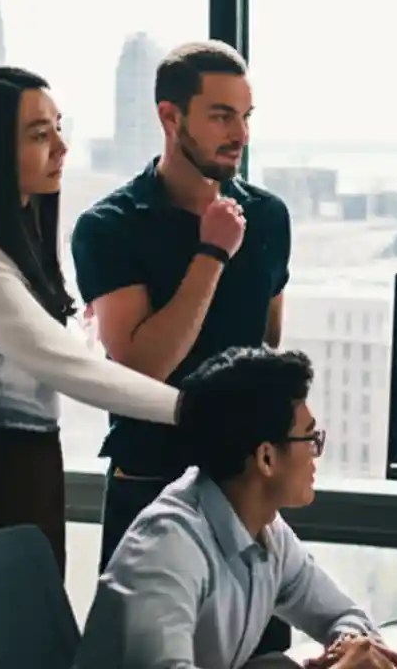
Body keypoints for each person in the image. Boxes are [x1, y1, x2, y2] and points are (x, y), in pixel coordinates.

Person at [70, 39, 294, 652]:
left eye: (245, 116)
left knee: (260, 656)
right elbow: (141, 367)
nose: (239, 133)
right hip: (151, 480)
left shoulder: (268, 216)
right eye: (221, 116)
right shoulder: (110, 226)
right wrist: (212, 252)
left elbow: (267, 341)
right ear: (170, 117)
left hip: (243, 484)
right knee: (146, 655)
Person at [0, 66, 181, 582]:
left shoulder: (17, 230)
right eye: (40, 135)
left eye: (59, 127)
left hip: (26, 458)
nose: (62, 148)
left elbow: (53, 347)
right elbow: (69, 369)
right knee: (12, 626)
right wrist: (195, 410)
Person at [73, 347, 397, 669]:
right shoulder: (165, 550)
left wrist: (346, 647)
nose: (316, 453)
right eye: (309, 438)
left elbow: (344, 616)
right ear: (266, 458)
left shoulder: (266, 530)